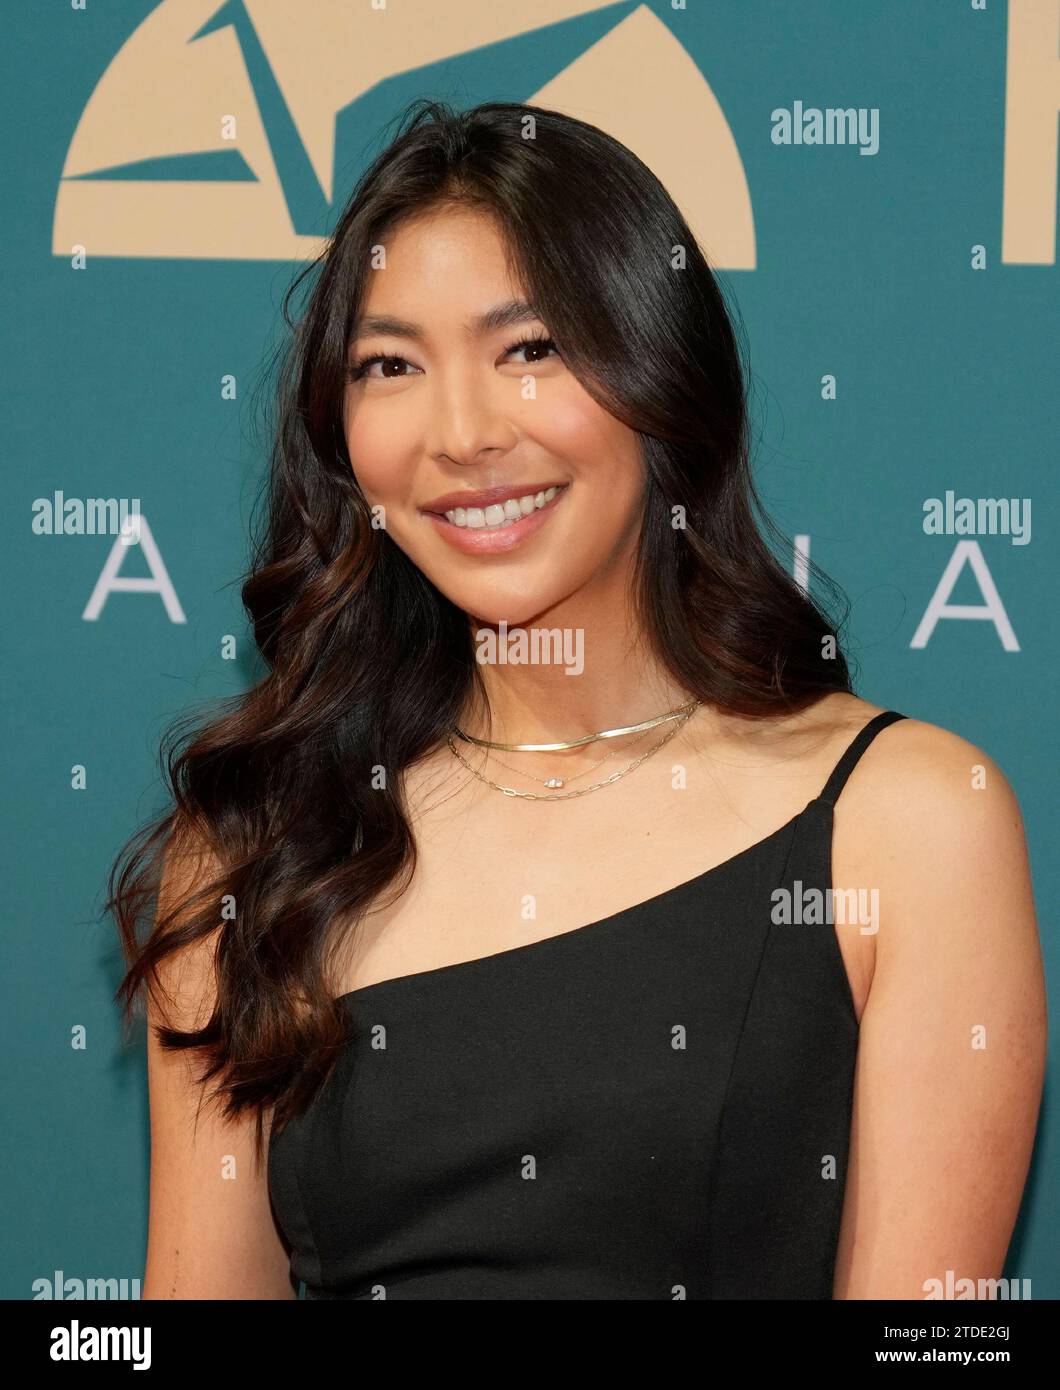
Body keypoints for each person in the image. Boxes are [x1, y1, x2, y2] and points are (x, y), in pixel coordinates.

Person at [110, 100, 1046, 1300]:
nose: (459, 433)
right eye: (390, 365)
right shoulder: (253, 851)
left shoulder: (907, 820)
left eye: (531, 349)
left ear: (661, 372)